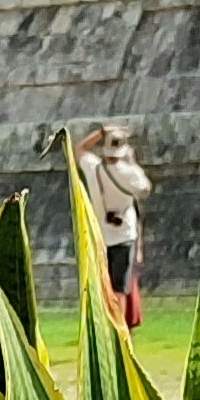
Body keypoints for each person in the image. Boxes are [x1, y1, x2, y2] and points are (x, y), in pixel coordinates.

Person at [74, 120, 150, 327]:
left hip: (100, 236)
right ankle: (119, 332)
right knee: (120, 289)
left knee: (103, 286)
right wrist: (131, 161)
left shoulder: (93, 168)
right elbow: (145, 188)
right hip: (124, 236)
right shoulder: (129, 173)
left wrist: (101, 132)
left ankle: (106, 328)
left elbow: (79, 149)